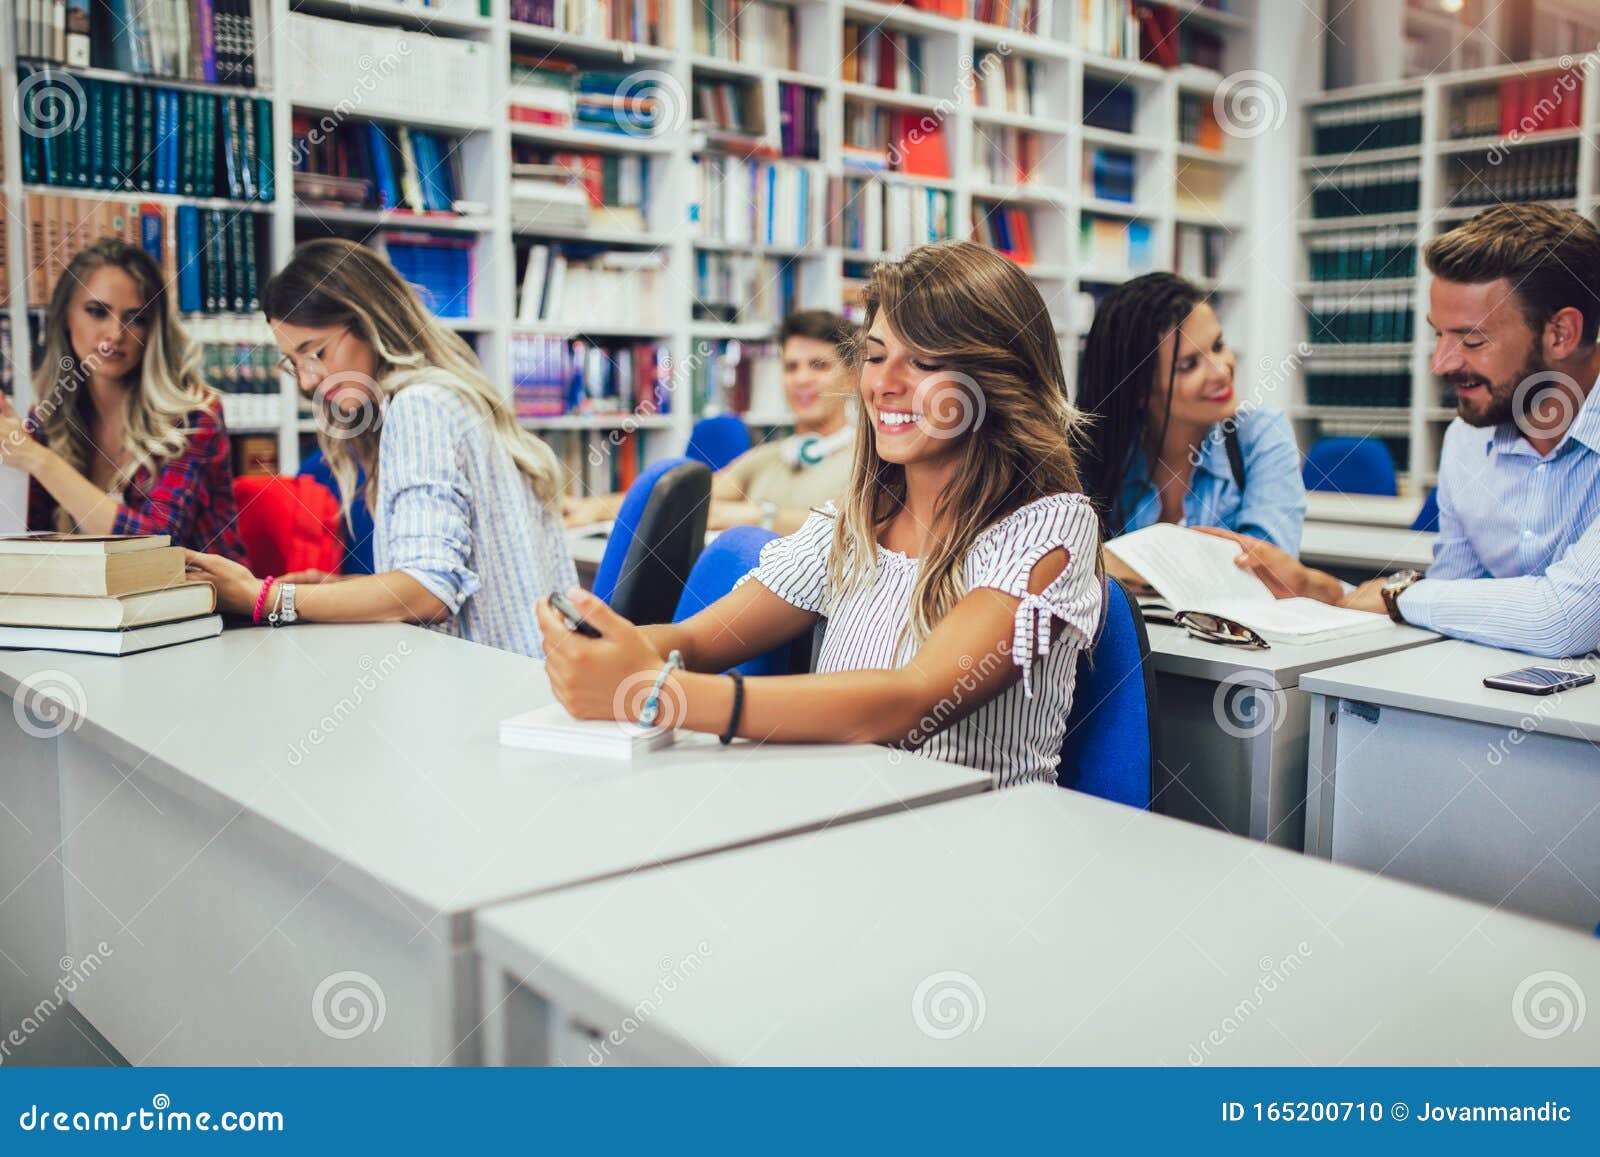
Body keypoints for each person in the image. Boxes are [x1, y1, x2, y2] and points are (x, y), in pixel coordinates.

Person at [536, 240, 1102, 788]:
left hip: (975, 844)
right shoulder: (850, 524)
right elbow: (698, 640)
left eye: (924, 361)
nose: (884, 383)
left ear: (998, 379)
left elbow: (912, 699)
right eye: (875, 356)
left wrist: (659, 692)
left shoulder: (1050, 526)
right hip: (838, 818)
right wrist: (613, 653)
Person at [1203, 203, 1600, 659]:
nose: (1441, 364)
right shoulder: (1467, 441)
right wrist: (1324, 589)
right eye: (1438, 336)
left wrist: (1400, 594)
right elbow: (1452, 603)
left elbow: (1565, 621)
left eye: (1472, 340)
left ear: (1562, 333)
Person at [184, 238, 577, 657]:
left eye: (315, 353)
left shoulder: (419, 405)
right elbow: (447, 577)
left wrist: (258, 598)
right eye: (293, 363)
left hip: (492, 692)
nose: (307, 380)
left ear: (370, 323)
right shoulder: (444, 396)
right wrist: (348, 591)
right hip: (530, 677)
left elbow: (428, 593)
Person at [0, 238, 247, 560]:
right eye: (97, 312)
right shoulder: (50, 414)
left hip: (201, 604)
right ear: (64, 317)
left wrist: (38, 460)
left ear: (153, 329)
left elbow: (156, 546)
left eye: (136, 318)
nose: (116, 334)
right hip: (94, 604)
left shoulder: (194, 415)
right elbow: (26, 534)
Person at [1075, 273, 1306, 565]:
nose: (1221, 371)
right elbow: (1066, 568)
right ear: (1140, 388)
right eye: (1190, 365)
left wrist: (1121, 564)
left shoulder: (1261, 434)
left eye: (1219, 346)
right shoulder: (1094, 453)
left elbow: (1270, 570)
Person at [564, 310, 857, 536]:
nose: (802, 379)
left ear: (852, 377)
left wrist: (758, 517)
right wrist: (594, 508)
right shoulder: (767, 458)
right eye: (791, 367)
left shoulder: (869, 459)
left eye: (819, 365)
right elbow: (679, 499)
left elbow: (858, 527)